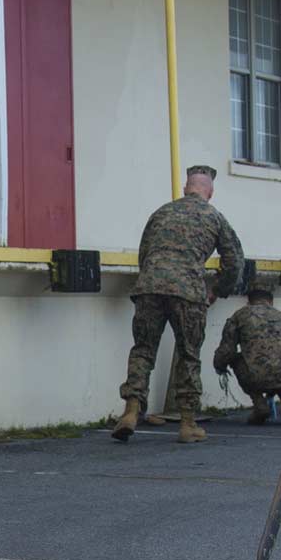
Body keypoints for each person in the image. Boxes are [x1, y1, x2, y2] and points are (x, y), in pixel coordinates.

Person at [112, 165, 244, 445]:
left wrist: (151, 281)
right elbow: (234, 261)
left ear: (186, 188)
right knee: (188, 354)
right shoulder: (214, 216)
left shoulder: (161, 212)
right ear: (210, 192)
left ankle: (131, 411)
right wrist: (218, 291)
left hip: (150, 286)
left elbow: (145, 252)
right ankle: (187, 423)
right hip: (188, 291)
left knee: (143, 350)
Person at [214, 278, 281, 424]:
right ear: (271, 301)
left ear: (249, 300)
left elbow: (227, 351)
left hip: (257, 376)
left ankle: (259, 403)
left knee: (237, 359)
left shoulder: (240, 315)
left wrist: (219, 366)